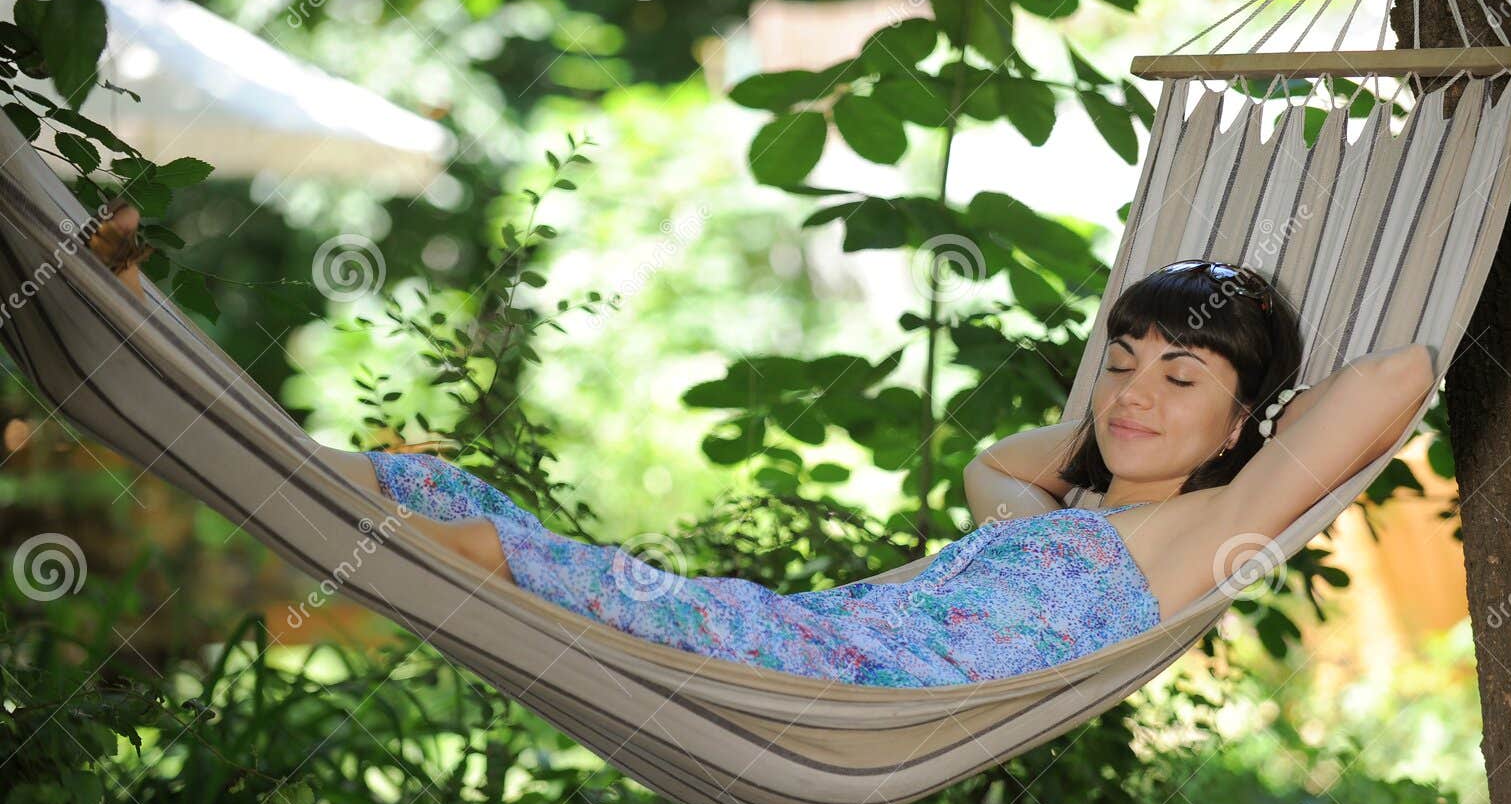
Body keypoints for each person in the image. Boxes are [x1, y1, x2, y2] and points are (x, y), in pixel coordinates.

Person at [87, 202, 1437, 687]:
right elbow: (1002, 465)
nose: (1134, 394)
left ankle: (232, 482)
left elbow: (1399, 375)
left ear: (1247, 420)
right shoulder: (1061, 521)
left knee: (500, 551)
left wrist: (1249, 435)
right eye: (1122, 364)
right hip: (786, 635)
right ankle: (179, 380)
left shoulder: (1215, 532)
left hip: (831, 680)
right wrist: (1120, 427)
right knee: (440, 484)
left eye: (1179, 375)